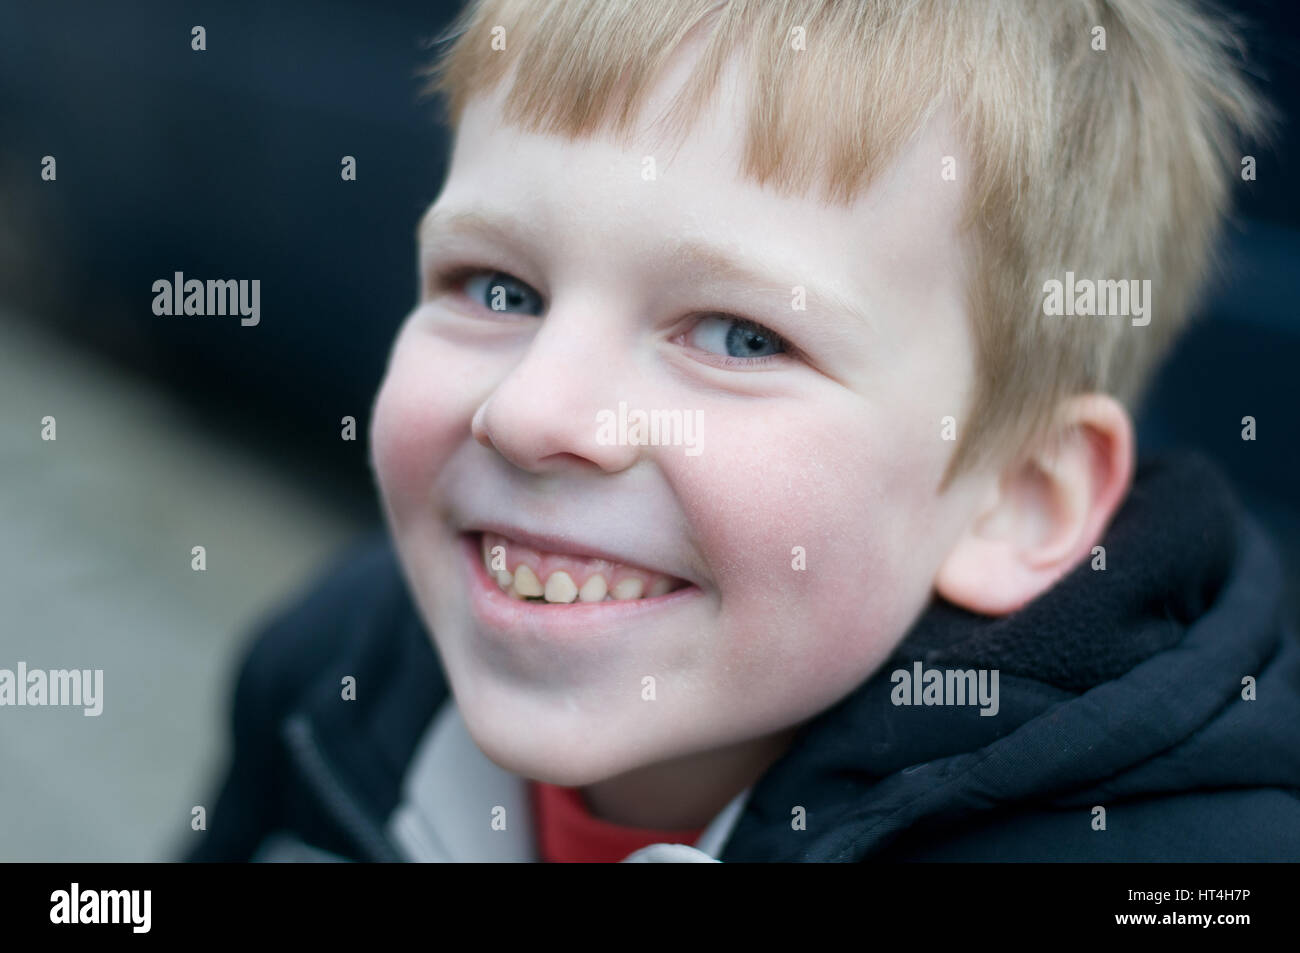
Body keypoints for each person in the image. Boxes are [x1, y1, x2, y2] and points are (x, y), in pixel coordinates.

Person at [187, 0, 1299, 862]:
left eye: (738, 336)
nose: (530, 413)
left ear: (1016, 495)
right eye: (498, 287)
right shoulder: (332, 672)